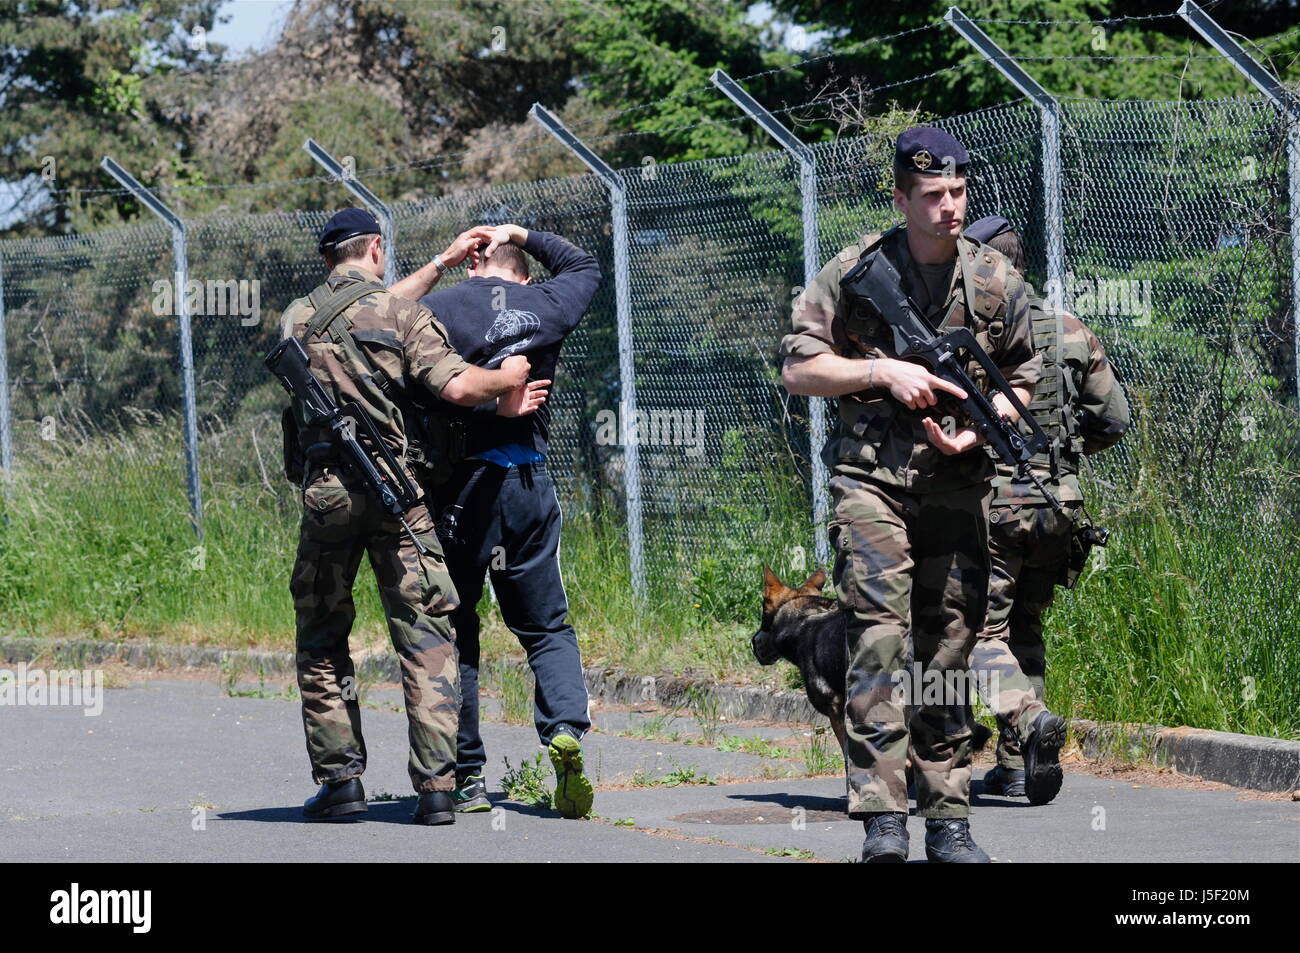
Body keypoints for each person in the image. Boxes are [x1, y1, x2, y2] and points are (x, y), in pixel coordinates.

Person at [780, 128, 1044, 863]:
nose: (950, 208)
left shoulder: (995, 279)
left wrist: (987, 434)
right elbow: (799, 368)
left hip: (957, 484)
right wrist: (881, 375)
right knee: (879, 638)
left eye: (959, 192)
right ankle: (882, 817)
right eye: (932, 196)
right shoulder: (854, 270)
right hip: (871, 483)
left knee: (949, 645)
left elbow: (1025, 380)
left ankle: (949, 817)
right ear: (901, 198)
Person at [280, 208, 540, 825]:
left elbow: (359, 309)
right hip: (398, 496)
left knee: (322, 639)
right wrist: (506, 376)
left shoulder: (295, 316)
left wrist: (439, 266)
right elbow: (456, 388)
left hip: (328, 497)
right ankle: (438, 790)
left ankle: (341, 782)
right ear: (375, 248)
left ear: (327, 259)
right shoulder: (403, 317)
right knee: (426, 637)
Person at [418, 222, 601, 820]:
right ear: (523, 272)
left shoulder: (438, 307)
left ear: (475, 264)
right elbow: (584, 266)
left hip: (463, 489)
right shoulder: (545, 302)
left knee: (458, 628)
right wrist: (522, 230)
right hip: (527, 482)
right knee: (545, 625)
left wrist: (443, 264)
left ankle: (467, 775)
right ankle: (565, 730)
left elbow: (386, 333)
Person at [963, 216, 1131, 804]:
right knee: (1027, 626)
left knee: (982, 631)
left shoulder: (980, 331)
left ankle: (1025, 724)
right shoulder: (1070, 328)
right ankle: (1016, 763)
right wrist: (1065, 451)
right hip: (1060, 503)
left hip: (996, 502)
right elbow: (1114, 418)